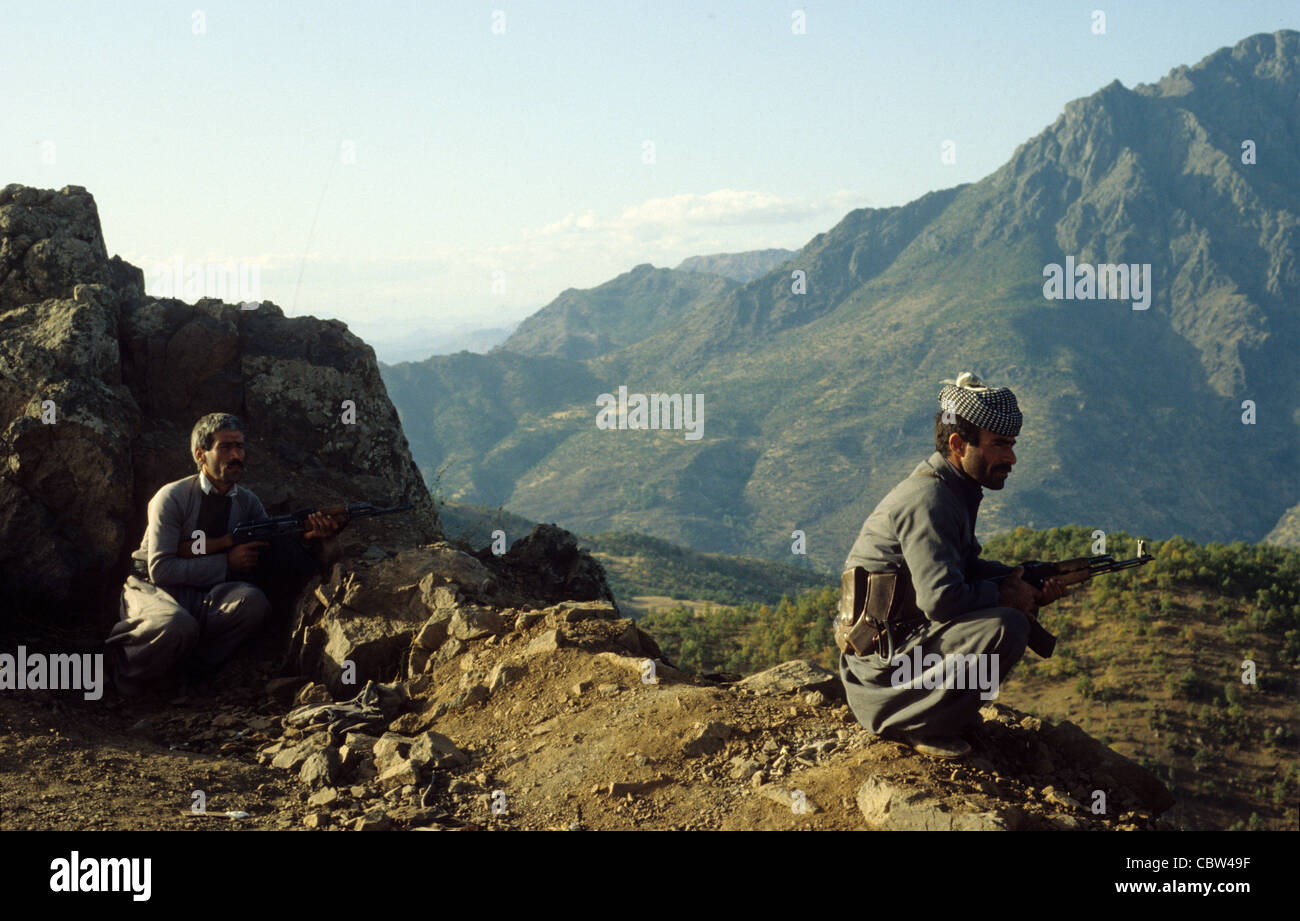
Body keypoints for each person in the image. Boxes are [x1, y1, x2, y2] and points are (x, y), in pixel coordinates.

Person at [837, 372, 1067, 759]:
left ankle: (941, 714)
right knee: (1007, 626)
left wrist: (1023, 580)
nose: (1011, 458)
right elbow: (942, 599)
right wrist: (1007, 596)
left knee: (1010, 612)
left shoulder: (953, 489)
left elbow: (963, 568)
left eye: (1011, 445)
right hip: (881, 680)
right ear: (959, 444)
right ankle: (922, 724)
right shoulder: (929, 499)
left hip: (900, 662)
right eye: (1000, 445)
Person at [105, 412, 344, 696]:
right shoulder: (171, 498)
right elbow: (161, 569)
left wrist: (308, 535)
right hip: (153, 590)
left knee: (253, 603)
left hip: (206, 594)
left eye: (240, 447)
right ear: (200, 454)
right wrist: (226, 563)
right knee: (173, 624)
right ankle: (125, 683)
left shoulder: (247, 501)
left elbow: (271, 545)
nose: (236, 455)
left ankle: (192, 674)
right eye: (225, 447)